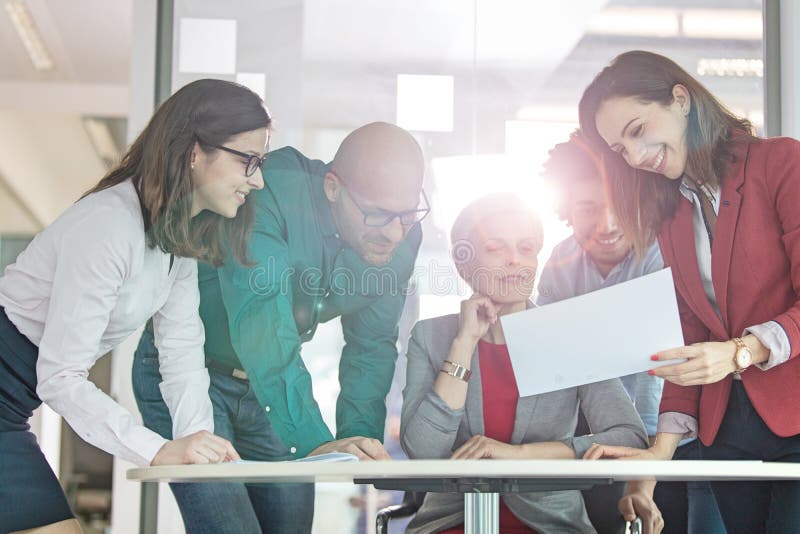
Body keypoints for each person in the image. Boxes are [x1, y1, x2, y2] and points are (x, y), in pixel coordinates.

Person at [0, 78, 270, 533]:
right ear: (195, 152)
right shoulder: (109, 225)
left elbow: (181, 350)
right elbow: (61, 378)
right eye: (249, 160)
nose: (257, 180)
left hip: (11, 410)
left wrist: (201, 443)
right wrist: (157, 450)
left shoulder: (175, 239)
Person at [133, 122, 427, 533]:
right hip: (190, 372)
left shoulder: (402, 236)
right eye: (377, 214)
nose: (395, 232)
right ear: (333, 188)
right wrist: (316, 442)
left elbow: (372, 344)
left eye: (408, 214)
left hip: (265, 391)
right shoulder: (267, 191)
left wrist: (358, 444)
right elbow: (264, 327)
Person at [578, 49, 800, 534]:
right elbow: (690, 336)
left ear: (681, 99)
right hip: (730, 434)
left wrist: (741, 352)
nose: (636, 156)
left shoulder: (781, 162)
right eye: (620, 149)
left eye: (637, 130)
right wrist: (657, 456)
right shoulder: (671, 214)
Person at [400, 193, 648, 534]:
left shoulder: (569, 336)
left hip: (550, 526)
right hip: (453, 524)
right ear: (463, 262)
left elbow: (630, 439)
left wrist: (519, 455)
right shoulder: (430, 337)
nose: (514, 260)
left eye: (526, 248)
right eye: (495, 248)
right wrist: (463, 343)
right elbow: (423, 453)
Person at [537, 133, 724, 534]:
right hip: (601, 440)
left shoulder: (667, 254)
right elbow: (551, 359)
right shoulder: (560, 263)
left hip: (677, 437)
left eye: (619, 205)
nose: (606, 224)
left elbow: (658, 374)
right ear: (566, 210)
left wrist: (645, 473)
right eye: (588, 208)